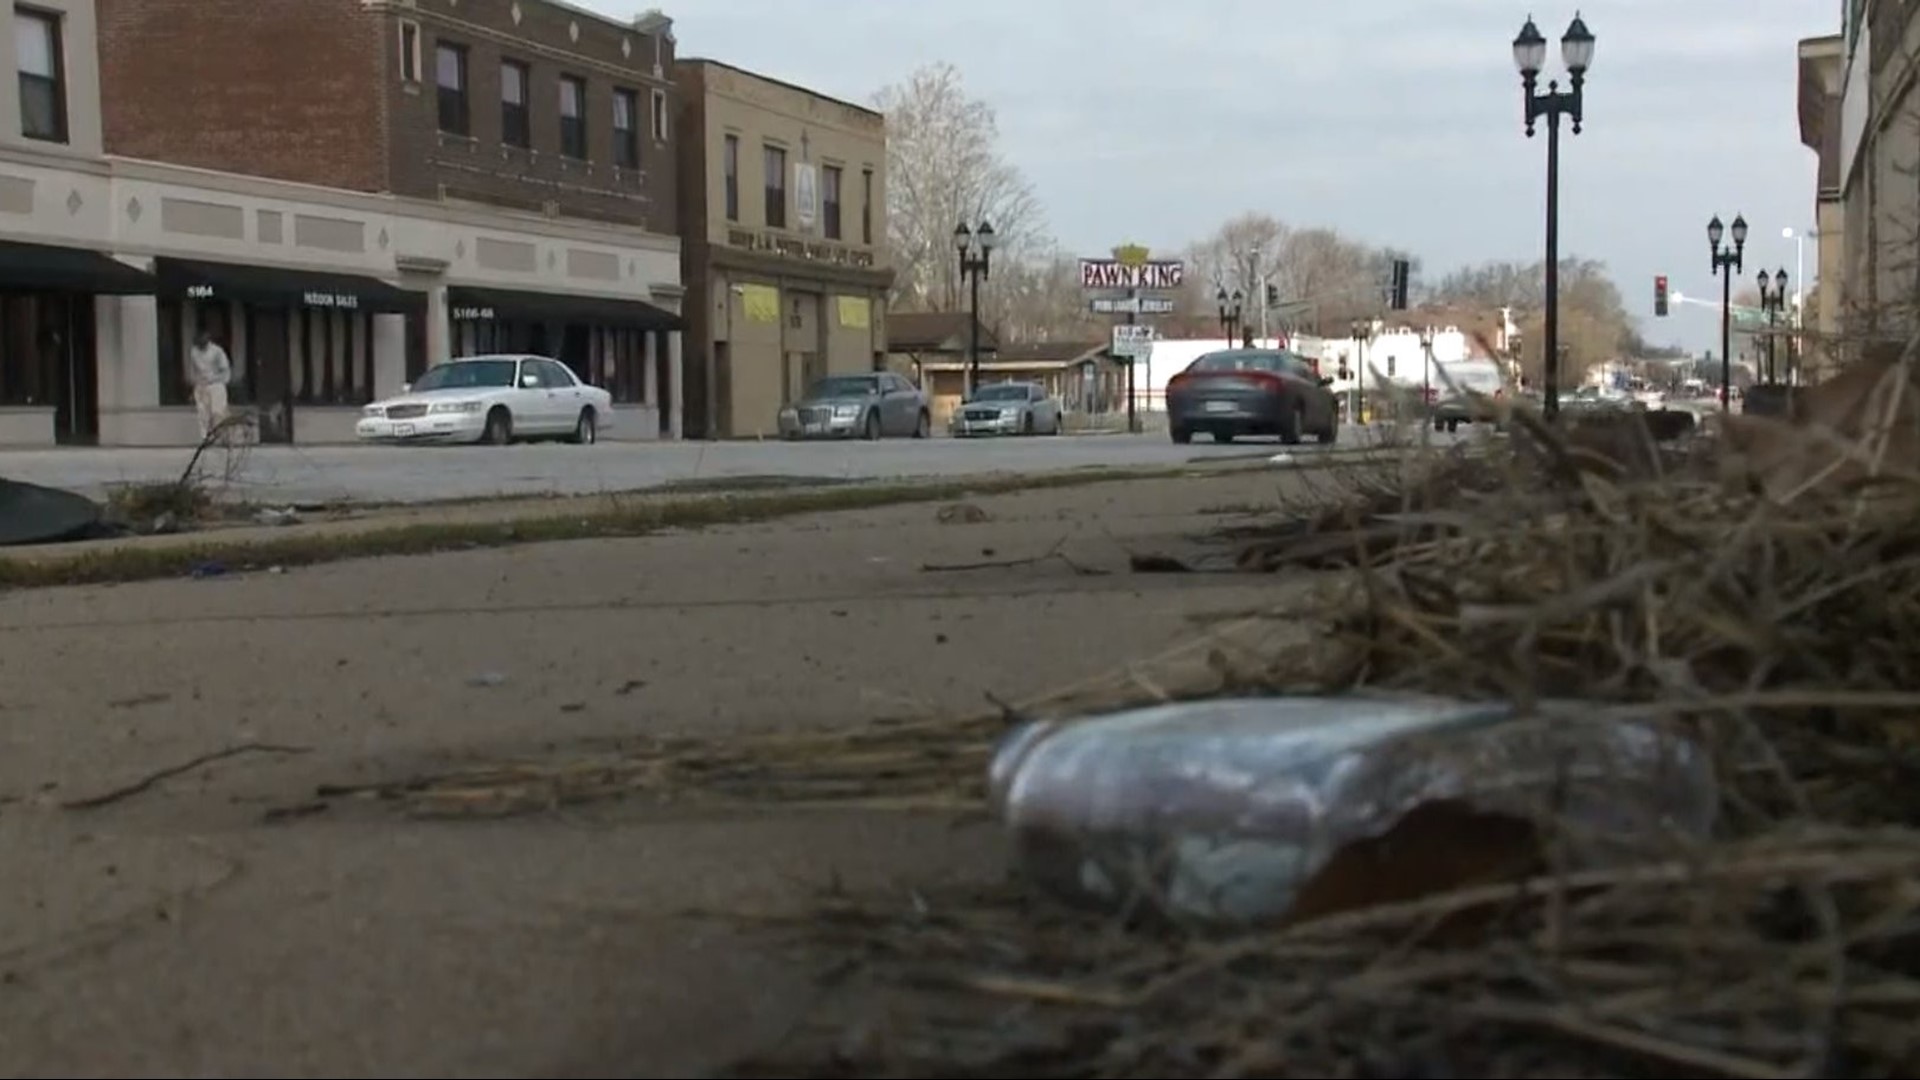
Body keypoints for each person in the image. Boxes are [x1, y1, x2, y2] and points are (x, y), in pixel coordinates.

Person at [188, 328, 232, 439]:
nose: (200, 347)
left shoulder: (217, 352)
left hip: (216, 385)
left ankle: (220, 435)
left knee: (217, 411)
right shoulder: (194, 352)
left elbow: (225, 370)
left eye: (202, 345)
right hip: (201, 385)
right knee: (203, 413)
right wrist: (195, 384)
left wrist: (215, 378)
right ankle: (205, 437)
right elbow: (194, 369)